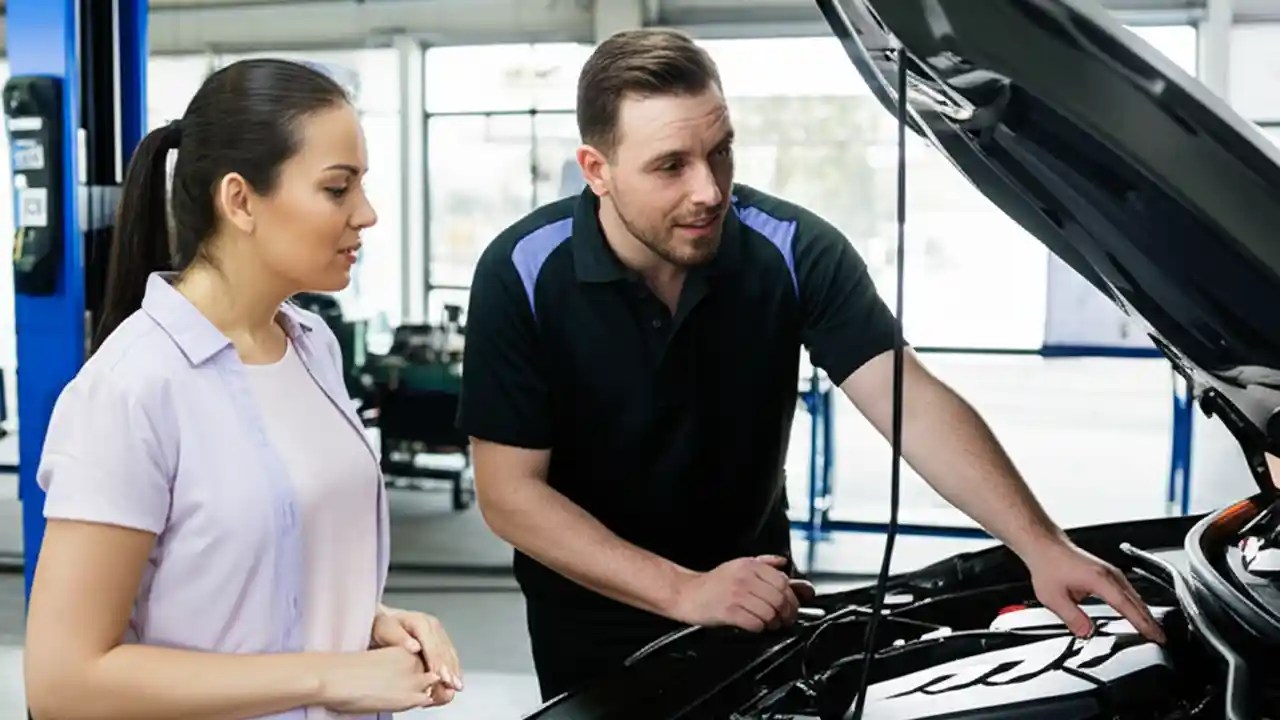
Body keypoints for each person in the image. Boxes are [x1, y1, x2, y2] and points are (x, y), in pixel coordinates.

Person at [457, 28, 1167, 701]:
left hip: (761, 601)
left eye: (721, 152)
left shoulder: (796, 250)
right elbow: (511, 494)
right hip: (593, 619)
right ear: (597, 171)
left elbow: (908, 399)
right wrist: (683, 591)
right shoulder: (519, 272)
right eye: (671, 166)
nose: (709, 190)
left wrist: (1040, 545)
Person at [23, 59, 463, 719]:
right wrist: (327, 675)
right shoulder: (132, 390)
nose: (366, 214)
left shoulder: (312, 347)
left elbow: (249, 579)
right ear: (239, 200)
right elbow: (64, 684)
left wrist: (367, 622)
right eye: (337, 188)